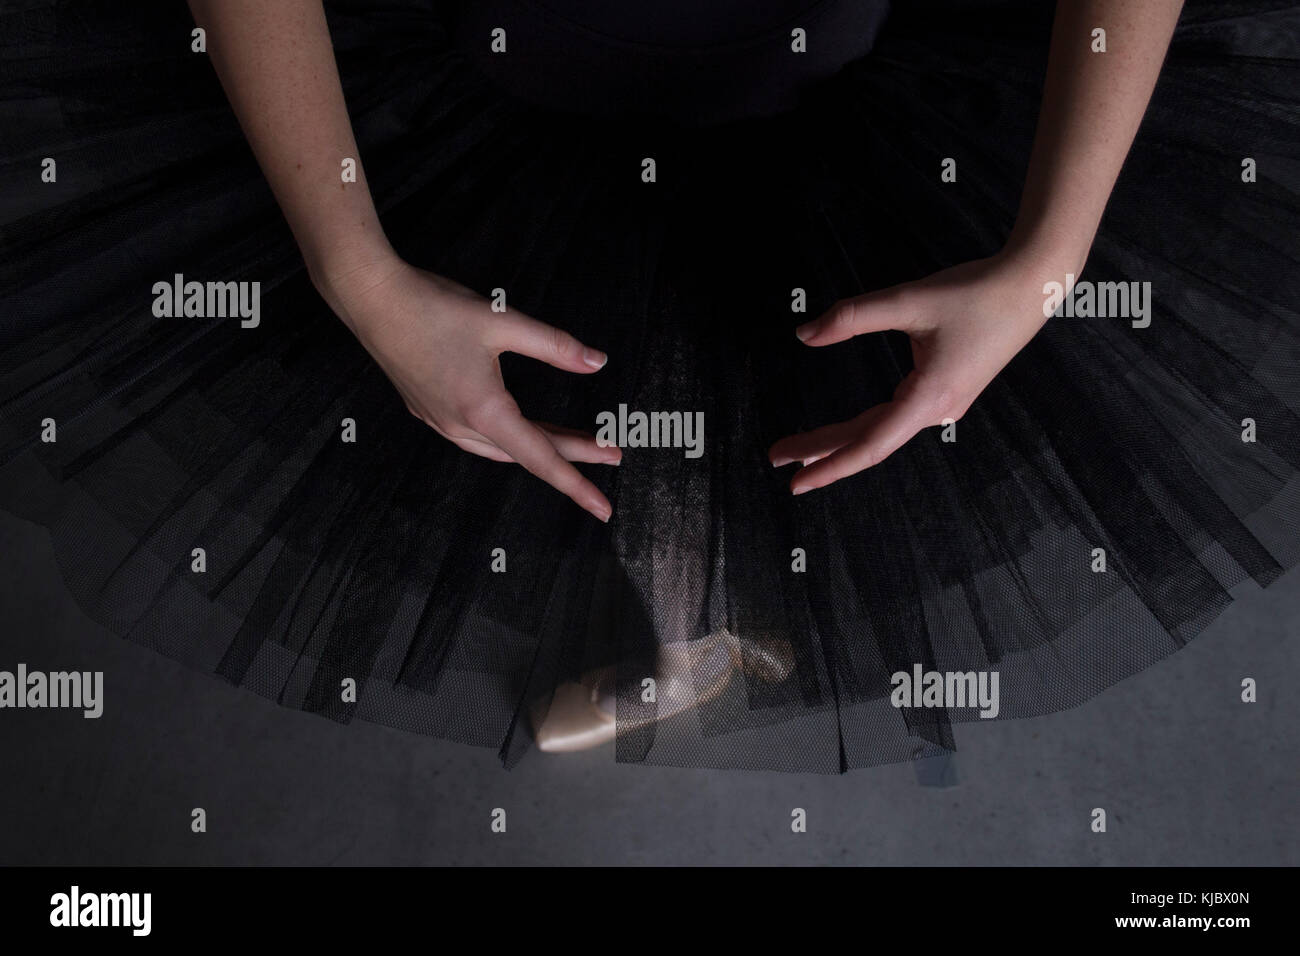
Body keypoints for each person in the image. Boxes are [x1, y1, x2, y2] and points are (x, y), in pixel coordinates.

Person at [1, 0, 1297, 770]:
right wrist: (357, 271)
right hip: (483, 89)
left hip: (845, 82)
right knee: (591, 391)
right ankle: (680, 630)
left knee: (770, 368)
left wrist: (1049, 259)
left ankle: (700, 630)